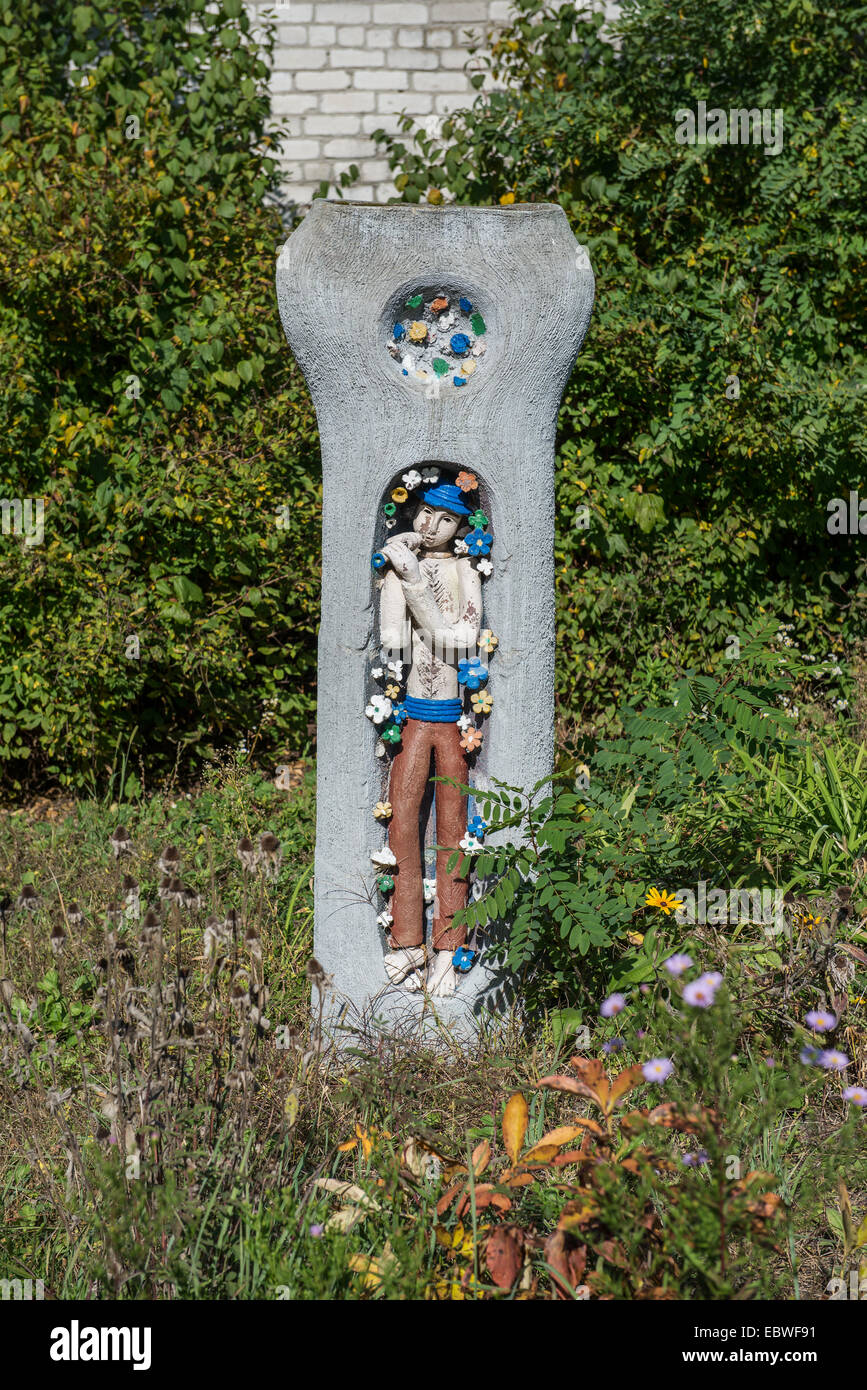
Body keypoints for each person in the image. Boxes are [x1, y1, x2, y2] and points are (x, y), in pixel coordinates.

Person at [378, 473, 482, 996]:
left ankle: (449, 942)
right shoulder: (400, 571)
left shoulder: (466, 572)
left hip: (451, 720)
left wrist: (414, 578)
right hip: (415, 718)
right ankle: (405, 938)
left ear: (461, 525)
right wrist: (398, 586)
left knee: (453, 832)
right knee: (402, 824)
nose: (430, 523)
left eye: (445, 517)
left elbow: (461, 643)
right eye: (424, 511)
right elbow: (393, 646)